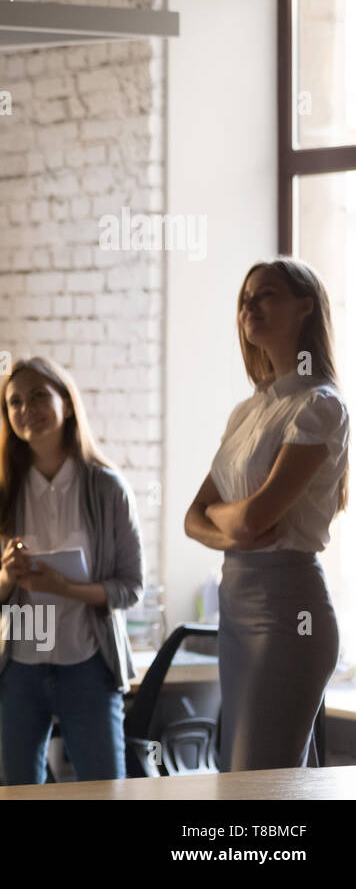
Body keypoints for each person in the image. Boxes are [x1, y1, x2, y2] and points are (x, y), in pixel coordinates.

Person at [185, 259, 346, 771]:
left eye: (266, 294)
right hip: (236, 604)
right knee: (259, 776)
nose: (249, 305)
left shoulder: (320, 405)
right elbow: (192, 517)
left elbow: (255, 519)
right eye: (245, 298)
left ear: (305, 307)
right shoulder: (247, 410)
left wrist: (224, 516)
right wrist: (230, 522)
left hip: (287, 611)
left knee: (259, 783)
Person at [0, 357, 143, 785]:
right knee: (20, 796)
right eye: (14, 402)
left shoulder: (107, 489)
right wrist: (8, 577)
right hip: (18, 671)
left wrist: (65, 587)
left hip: (88, 664)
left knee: (103, 792)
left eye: (38, 396)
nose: (26, 409)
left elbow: (130, 587)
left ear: (66, 402)